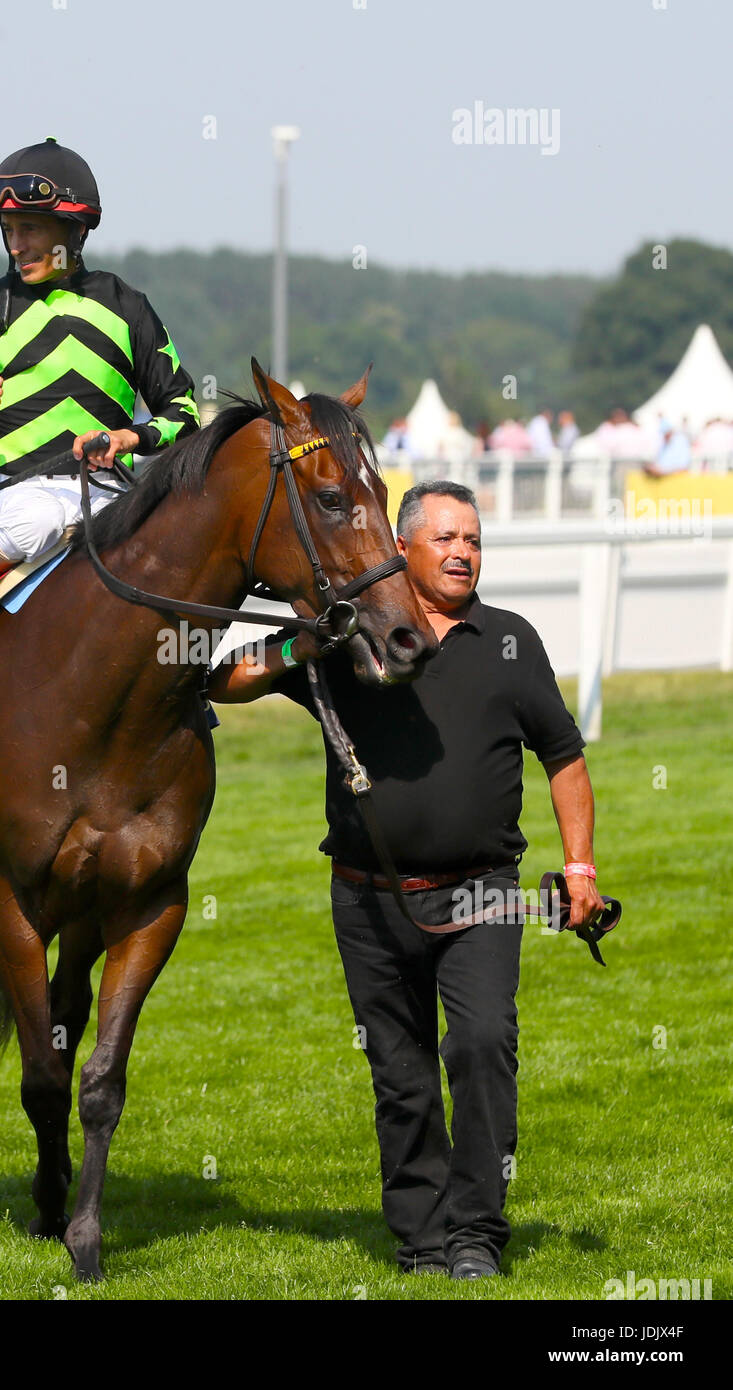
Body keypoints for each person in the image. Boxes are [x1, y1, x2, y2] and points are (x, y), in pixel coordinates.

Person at [208, 480, 608, 1281]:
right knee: (400, 1073)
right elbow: (221, 679)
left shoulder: (508, 640)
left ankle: (475, 1237)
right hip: (366, 896)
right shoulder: (347, 635)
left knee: (484, 1046)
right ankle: (422, 1241)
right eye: (446, 540)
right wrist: (305, 641)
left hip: (483, 891)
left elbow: (562, 755)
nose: (463, 553)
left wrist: (578, 865)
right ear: (401, 550)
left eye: (474, 540)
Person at [0, 138, 200, 686]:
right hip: (10, 497)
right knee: (37, 520)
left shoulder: (126, 306)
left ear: (74, 231)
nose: (16, 245)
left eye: (30, 229)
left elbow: (184, 414)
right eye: (9, 231)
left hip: (108, 494)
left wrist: (131, 439)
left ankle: (186, 690)